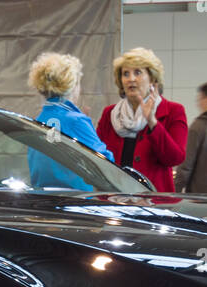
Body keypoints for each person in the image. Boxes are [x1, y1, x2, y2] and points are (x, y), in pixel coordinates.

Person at [96, 47, 187, 191]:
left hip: (153, 199)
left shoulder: (173, 110)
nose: (131, 79)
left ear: (152, 79)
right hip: (115, 197)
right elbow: (97, 156)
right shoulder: (109, 113)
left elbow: (175, 158)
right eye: (126, 74)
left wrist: (152, 122)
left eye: (137, 72)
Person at [26, 52, 111, 190]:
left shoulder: (38, 121)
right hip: (74, 198)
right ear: (73, 86)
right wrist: (83, 125)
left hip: (42, 197)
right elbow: (106, 163)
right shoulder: (76, 120)